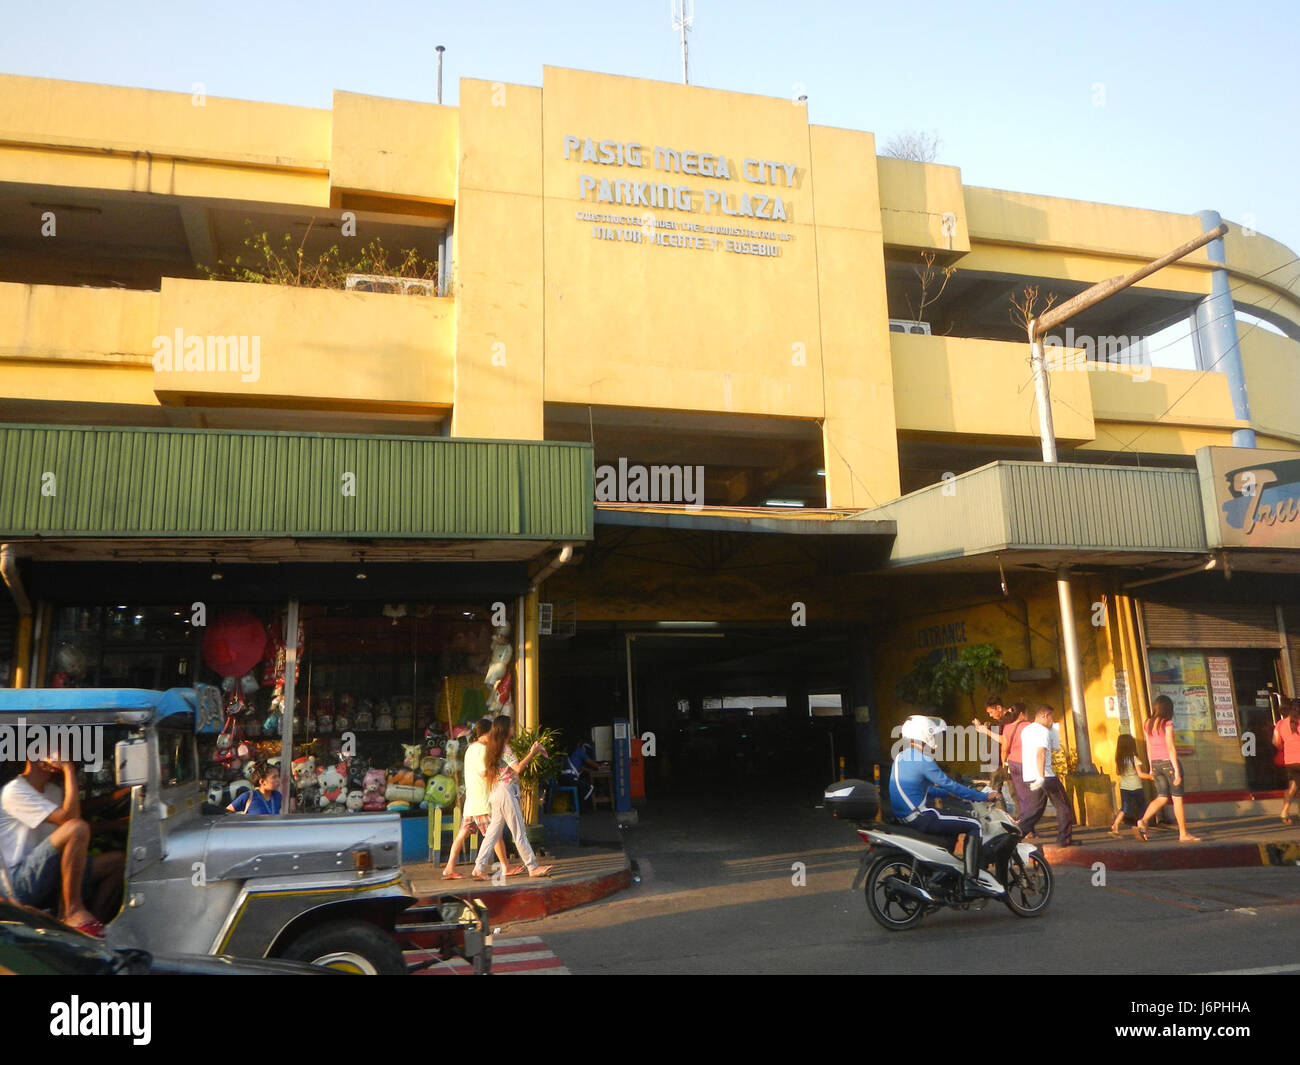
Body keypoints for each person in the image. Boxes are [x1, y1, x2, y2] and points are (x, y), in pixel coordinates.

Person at [0, 753, 124, 936]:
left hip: (50, 873)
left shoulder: (53, 791)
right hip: (21, 882)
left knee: (117, 861)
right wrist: (68, 769)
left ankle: (91, 925)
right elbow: (71, 821)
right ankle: (71, 911)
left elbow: (75, 816)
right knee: (77, 828)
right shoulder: (15, 791)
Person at [889, 715, 1001, 897]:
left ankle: (942, 871)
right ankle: (971, 881)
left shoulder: (901, 757)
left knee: (953, 823)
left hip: (905, 816)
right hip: (921, 816)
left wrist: (947, 794)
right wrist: (983, 795)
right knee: (974, 824)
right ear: (926, 735)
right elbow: (951, 784)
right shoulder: (923, 761)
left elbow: (921, 789)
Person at [472, 716, 554, 880]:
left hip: (496, 792)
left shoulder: (492, 748)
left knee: (492, 833)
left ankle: (479, 868)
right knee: (519, 832)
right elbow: (517, 768)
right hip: (505, 792)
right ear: (505, 729)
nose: (513, 729)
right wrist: (533, 752)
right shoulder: (505, 749)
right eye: (511, 726)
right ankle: (532, 867)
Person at [442, 718, 514, 879]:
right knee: (495, 835)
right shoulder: (481, 749)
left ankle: (449, 867)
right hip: (482, 801)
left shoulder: (470, 749)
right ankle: (504, 867)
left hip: (472, 802)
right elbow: (484, 772)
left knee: (462, 835)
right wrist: (502, 772)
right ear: (488, 733)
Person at [1134, 695, 1201, 843]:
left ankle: (1143, 820)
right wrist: (1176, 770)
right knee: (1177, 800)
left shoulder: (1147, 724)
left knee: (1162, 797)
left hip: (1156, 764)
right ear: (1168, 708)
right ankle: (1183, 834)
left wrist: (1151, 767)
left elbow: (1148, 747)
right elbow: (1170, 747)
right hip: (1169, 764)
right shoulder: (1167, 723)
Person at [1017, 704, 1075, 847]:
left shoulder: (1026, 730)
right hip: (1045, 775)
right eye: (1051, 716)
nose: (1052, 720)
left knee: (1035, 811)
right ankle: (1064, 839)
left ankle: (1014, 835)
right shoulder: (1042, 731)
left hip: (1030, 775)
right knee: (1064, 807)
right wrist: (1041, 776)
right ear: (1044, 715)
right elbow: (1040, 753)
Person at [1108, 734, 1153, 836]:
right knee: (1142, 808)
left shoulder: (1119, 759)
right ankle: (1143, 830)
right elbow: (1140, 774)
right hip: (1136, 787)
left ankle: (1115, 826)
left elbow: (1118, 772)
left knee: (1125, 808)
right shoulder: (1134, 758)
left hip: (1124, 787)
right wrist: (1151, 777)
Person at [1001, 703, 1032, 825]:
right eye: (1026, 712)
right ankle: (1028, 827)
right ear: (1021, 714)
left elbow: (1004, 748)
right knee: (1030, 797)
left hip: (1013, 763)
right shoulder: (1029, 726)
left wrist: (1004, 762)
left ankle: (1025, 825)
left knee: (1022, 796)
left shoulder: (1007, 727)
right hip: (1027, 763)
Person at [1272, 698, 1300, 825]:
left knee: (1292, 786)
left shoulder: (1281, 724)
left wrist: (1283, 747)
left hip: (1289, 761)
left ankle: (1284, 812)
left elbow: (1275, 741)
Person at [560, 739, 600, 803]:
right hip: (571, 779)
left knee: (582, 787)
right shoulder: (578, 751)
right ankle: (582, 805)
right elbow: (590, 762)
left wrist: (587, 770)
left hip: (562, 779)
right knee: (591, 788)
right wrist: (599, 766)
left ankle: (578, 804)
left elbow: (577, 766)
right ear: (578, 744)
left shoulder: (566, 752)